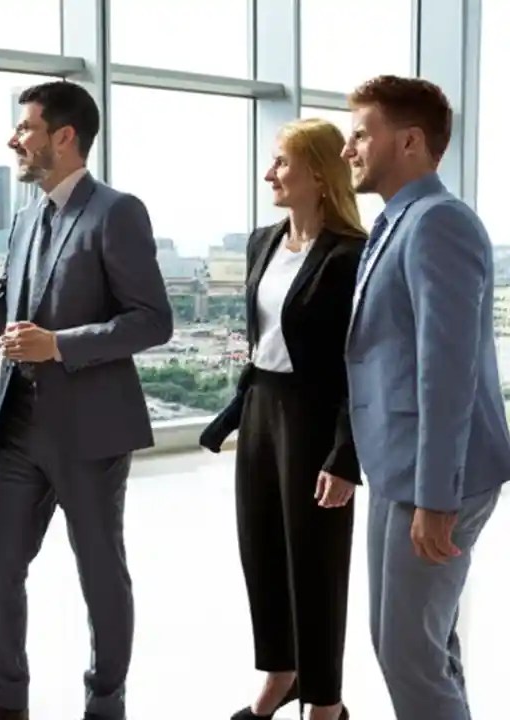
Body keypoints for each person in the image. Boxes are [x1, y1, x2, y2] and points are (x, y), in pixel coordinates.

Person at [0, 80, 172, 720]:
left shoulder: (117, 212)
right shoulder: (27, 215)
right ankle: (7, 700)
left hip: (90, 432)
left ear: (64, 137)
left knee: (100, 574)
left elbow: (152, 320)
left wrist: (58, 345)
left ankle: (105, 703)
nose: (15, 139)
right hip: (17, 428)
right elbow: (5, 300)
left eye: (26, 128)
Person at [341, 74, 509, 720]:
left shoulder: (440, 224)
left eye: (362, 134)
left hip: (438, 474)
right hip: (398, 465)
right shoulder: (395, 223)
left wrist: (437, 496)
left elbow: (449, 370)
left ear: (408, 141)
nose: (350, 148)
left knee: (409, 651)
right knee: (413, 644)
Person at [201, 118, 364, 720]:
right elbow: (262, 342)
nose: (269, 173)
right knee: (261, 548)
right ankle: (280, 675)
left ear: (319, 174)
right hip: (263, 411)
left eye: (281, 163)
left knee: (317, 562)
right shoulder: (262, 241)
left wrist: (346, 457)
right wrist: (235, 415)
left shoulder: (351, 255)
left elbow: (360, 364)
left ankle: (325, 701)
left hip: (317, 417)